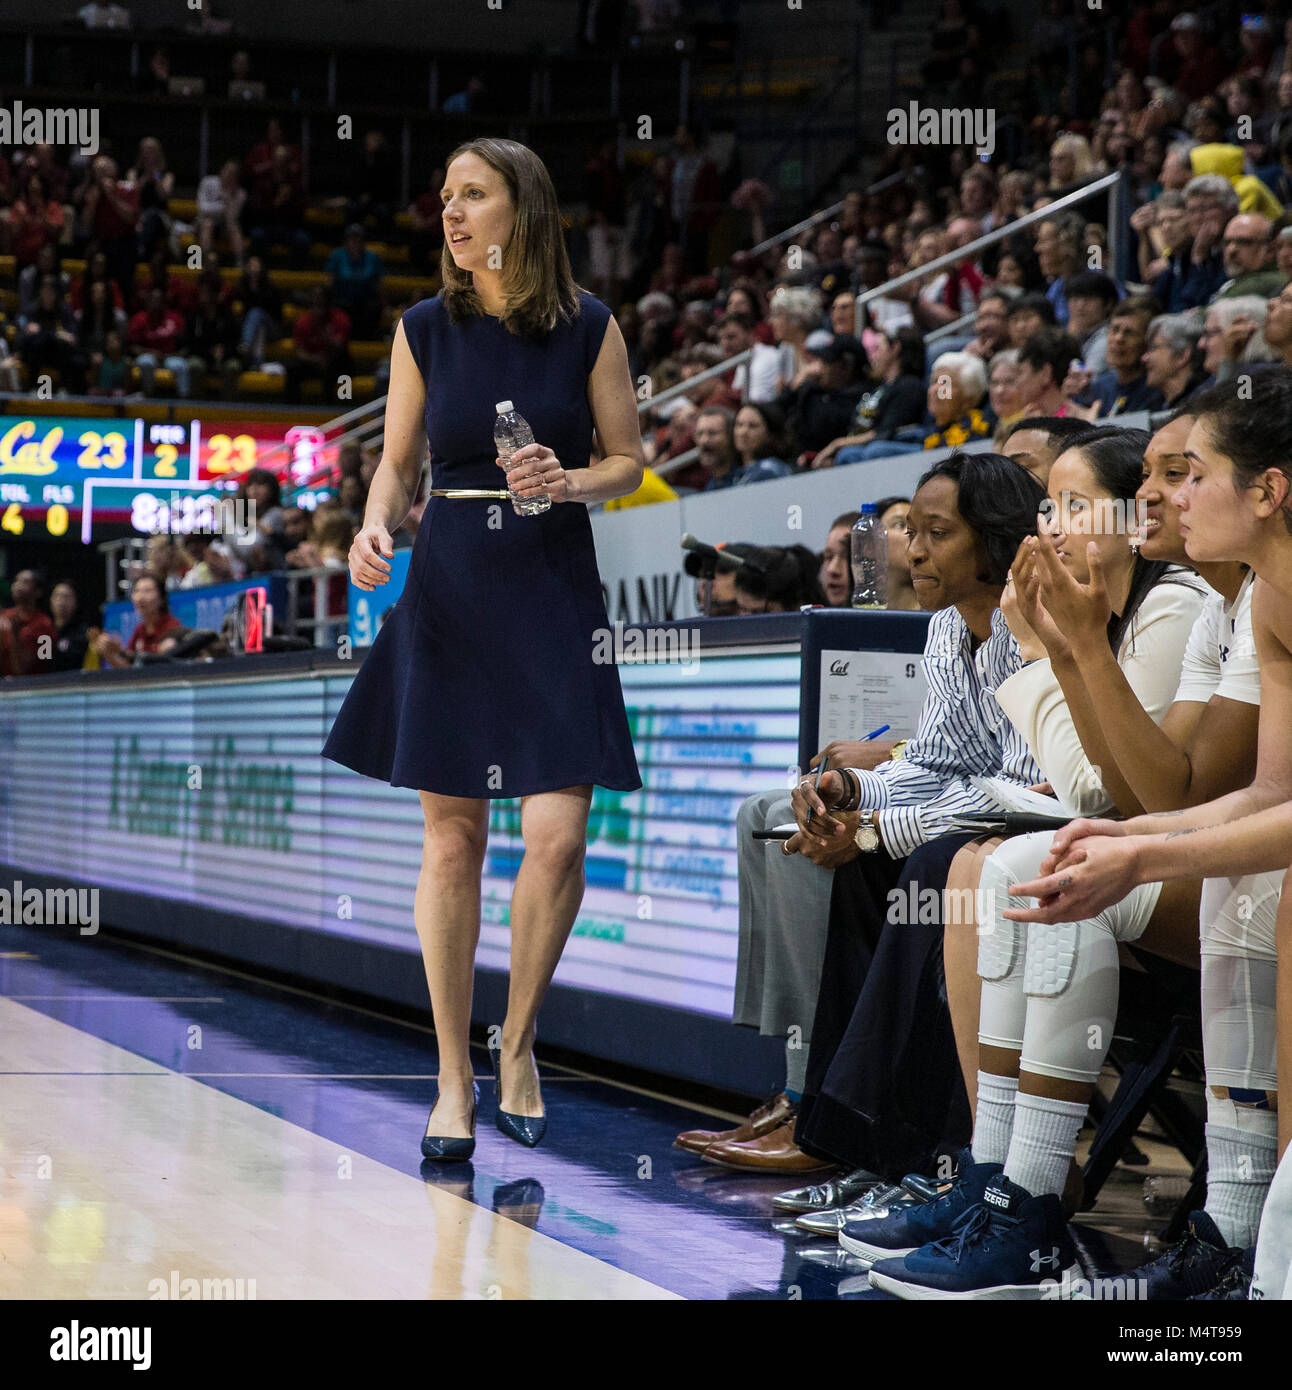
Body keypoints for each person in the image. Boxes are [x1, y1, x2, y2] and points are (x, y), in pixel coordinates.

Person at [321, 137, 645, 1161]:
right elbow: (397, 463)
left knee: (558, 837)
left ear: (523, 210)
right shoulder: (425, 326)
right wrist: (373, 527)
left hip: (552, 583)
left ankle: (518, 1039)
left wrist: (569, 479)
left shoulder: (590, 325)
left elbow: (629, 463)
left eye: (473, 195)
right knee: (452, 841)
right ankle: (452, 1077)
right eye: (445, 198)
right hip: (452, 581)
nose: (452, 215)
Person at [996, 368, 1292, 1302]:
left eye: (1189, 474)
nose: (1161, 498)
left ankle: (1257, 1247)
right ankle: (1222, 1236)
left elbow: (1195, 792)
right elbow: (1270, 792)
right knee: (1047, 857)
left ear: (1267, 490)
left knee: (1274, 896)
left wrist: (1145, 849)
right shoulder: (1267, 600)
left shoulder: (1193, 603)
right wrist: (1124, 838)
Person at [696, 453, 1048, 1175]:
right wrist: (850, 793)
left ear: (995, 540)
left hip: (1042, 841)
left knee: (898, 863)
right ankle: (838, 1127)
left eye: (937, 533)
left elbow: (1023, 790)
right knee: (806, 832)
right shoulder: (947, 629)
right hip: (976, 832)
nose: (913, 551)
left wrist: (875, 830)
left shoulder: (1034, 626)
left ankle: (881, 1139)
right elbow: (940, 763)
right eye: (911, 531)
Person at [814, 326, 926, 466]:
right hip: (857, 451)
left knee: (854, 454)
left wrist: (838, 444)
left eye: (878, 348)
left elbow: (885, 433)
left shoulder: (909, 386)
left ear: (895, 348)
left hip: (881, 454)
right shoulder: (878, 388)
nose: (873, 356)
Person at [93, 571, 183, 667]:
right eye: (137, 591)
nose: (140, 598)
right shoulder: (140, 630)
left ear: (162, 599)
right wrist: (109, 654)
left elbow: (161, 666)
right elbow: (129, 669)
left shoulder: (172, 627)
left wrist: (120, 652)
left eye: (147, 591)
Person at [0, 571, 57, 677]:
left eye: (25, 582)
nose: (17, 585)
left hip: (32, 685)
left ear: (38, 592)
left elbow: (24, 670)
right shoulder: (3, 617)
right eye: (16, 581)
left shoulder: (46, 625)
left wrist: (14, 635)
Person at [49, 581, 91, 672]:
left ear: (76, 602)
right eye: (57, 596)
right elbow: (43, 661)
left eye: (67, 597)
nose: (61, 602)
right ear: (51, 600)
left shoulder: (83, 634)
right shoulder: (44, 632)